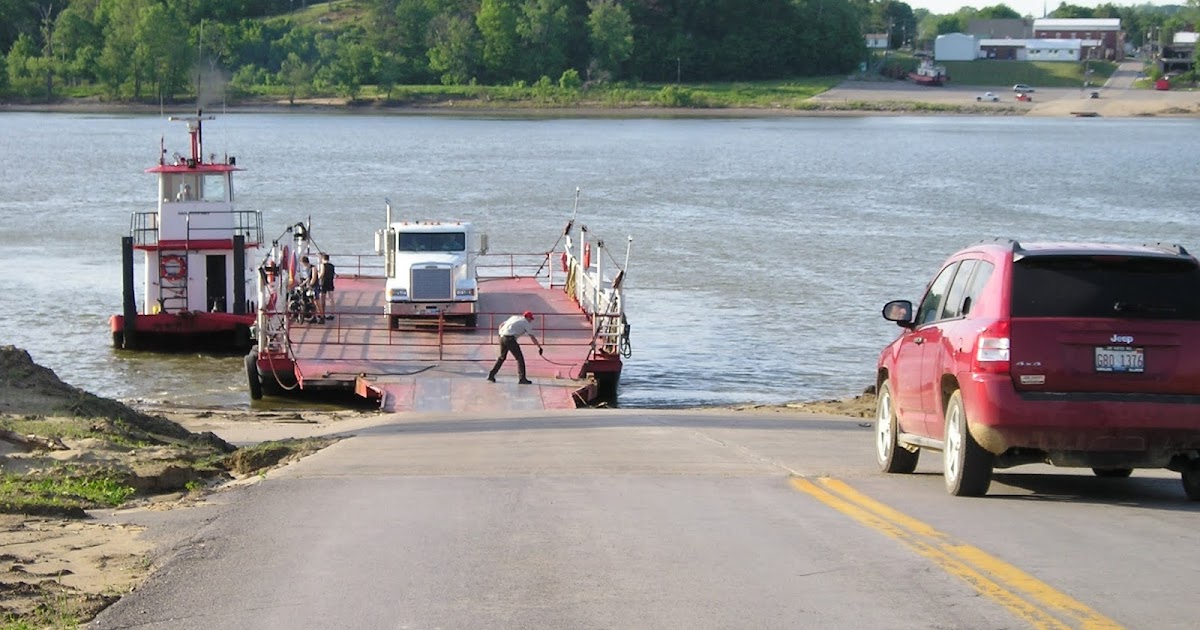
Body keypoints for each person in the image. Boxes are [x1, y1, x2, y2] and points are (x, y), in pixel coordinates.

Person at [487, 310, 543, 384]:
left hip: (502, 336)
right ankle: (522, 378)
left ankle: (491, 375)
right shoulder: (525, 323)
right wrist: (539, 347)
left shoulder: (514, 317)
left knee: (502, 357)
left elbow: (501, 325)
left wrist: (500, 334)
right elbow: (532, 337)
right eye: (530, 319)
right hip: (510, 338)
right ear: (528, 317)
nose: (530, 321)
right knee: (519, 358)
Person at [315, 253, 335, 322]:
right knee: (331, 299)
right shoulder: (332, 266)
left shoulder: (322, 265)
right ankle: (332, 314)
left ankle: (322, 313)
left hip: (324, 283)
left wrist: (317, 276)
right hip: (330, 282)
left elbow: (321, 274)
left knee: (322, 299)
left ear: (323, 259)